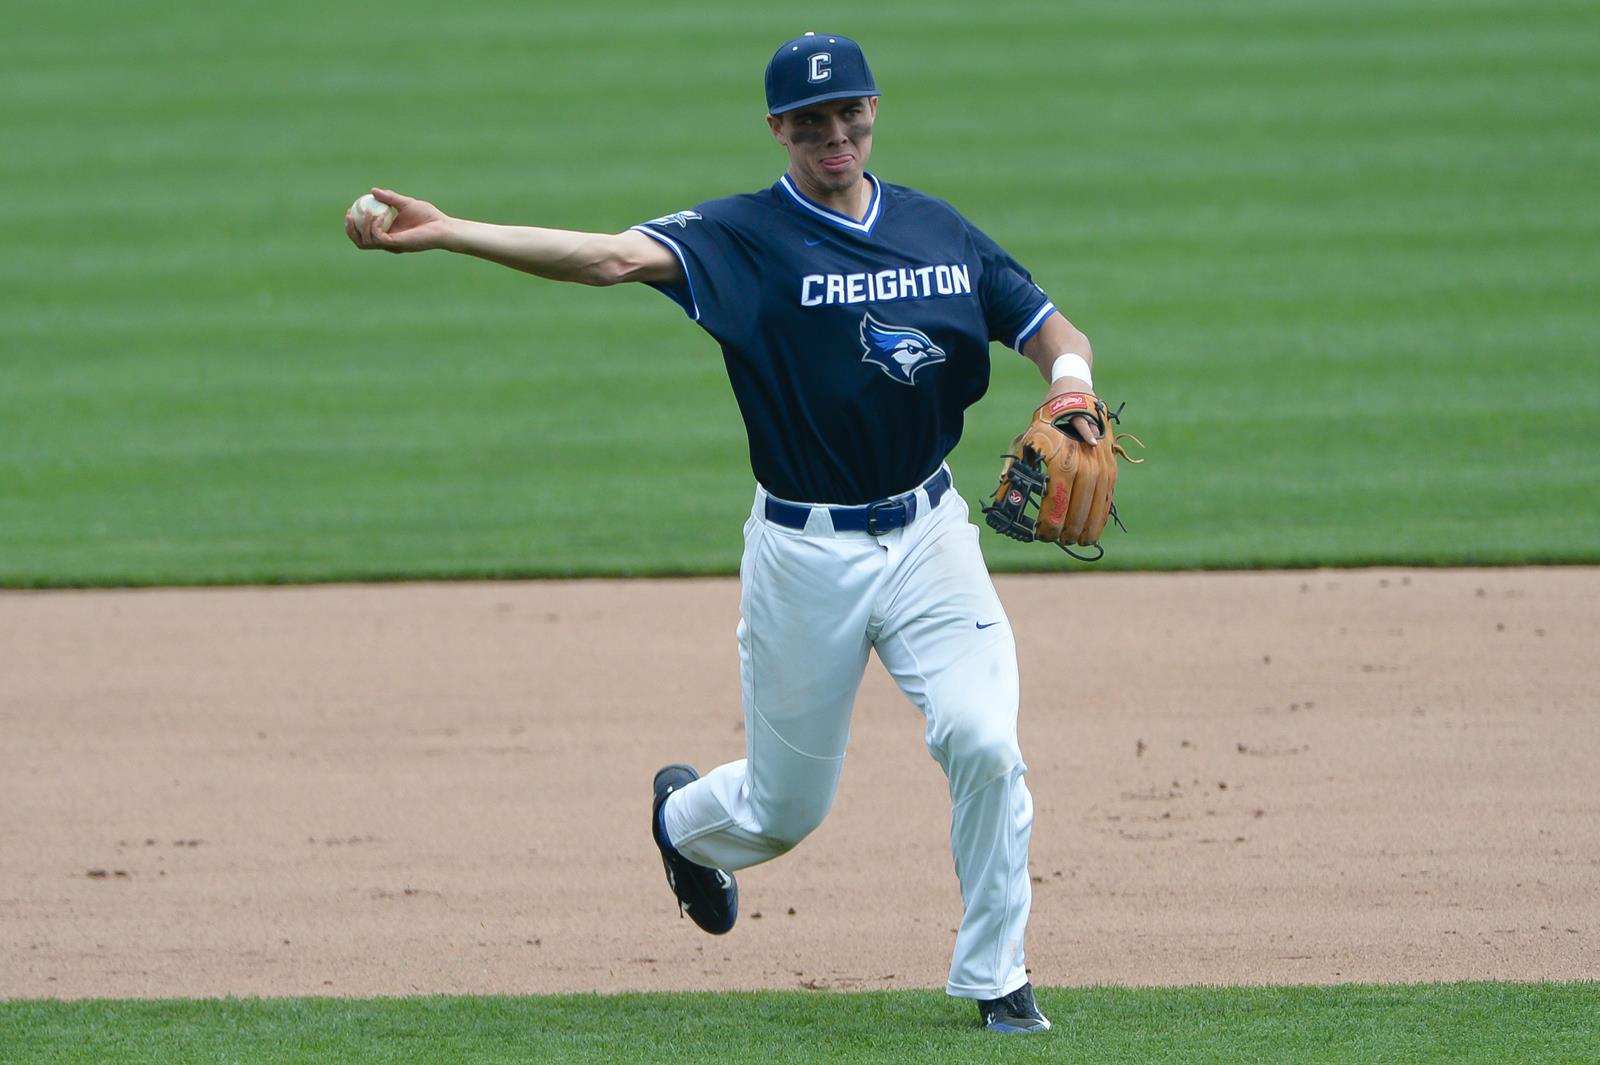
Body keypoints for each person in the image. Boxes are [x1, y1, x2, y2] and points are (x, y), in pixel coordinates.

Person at [346, 31, 1104, 1034]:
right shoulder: (743, 235)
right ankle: (680, 823)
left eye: (850, 112)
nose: (835, 135)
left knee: (985, 741)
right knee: (783, 813)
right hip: (805, 555)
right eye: (811, 120)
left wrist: (1070, 388)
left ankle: (997, 979)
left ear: (874, 110)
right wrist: (449, 231)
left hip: (930, 537)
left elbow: (1052, 330)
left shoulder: (935, 228)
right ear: (778, 128)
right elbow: (609, 258)